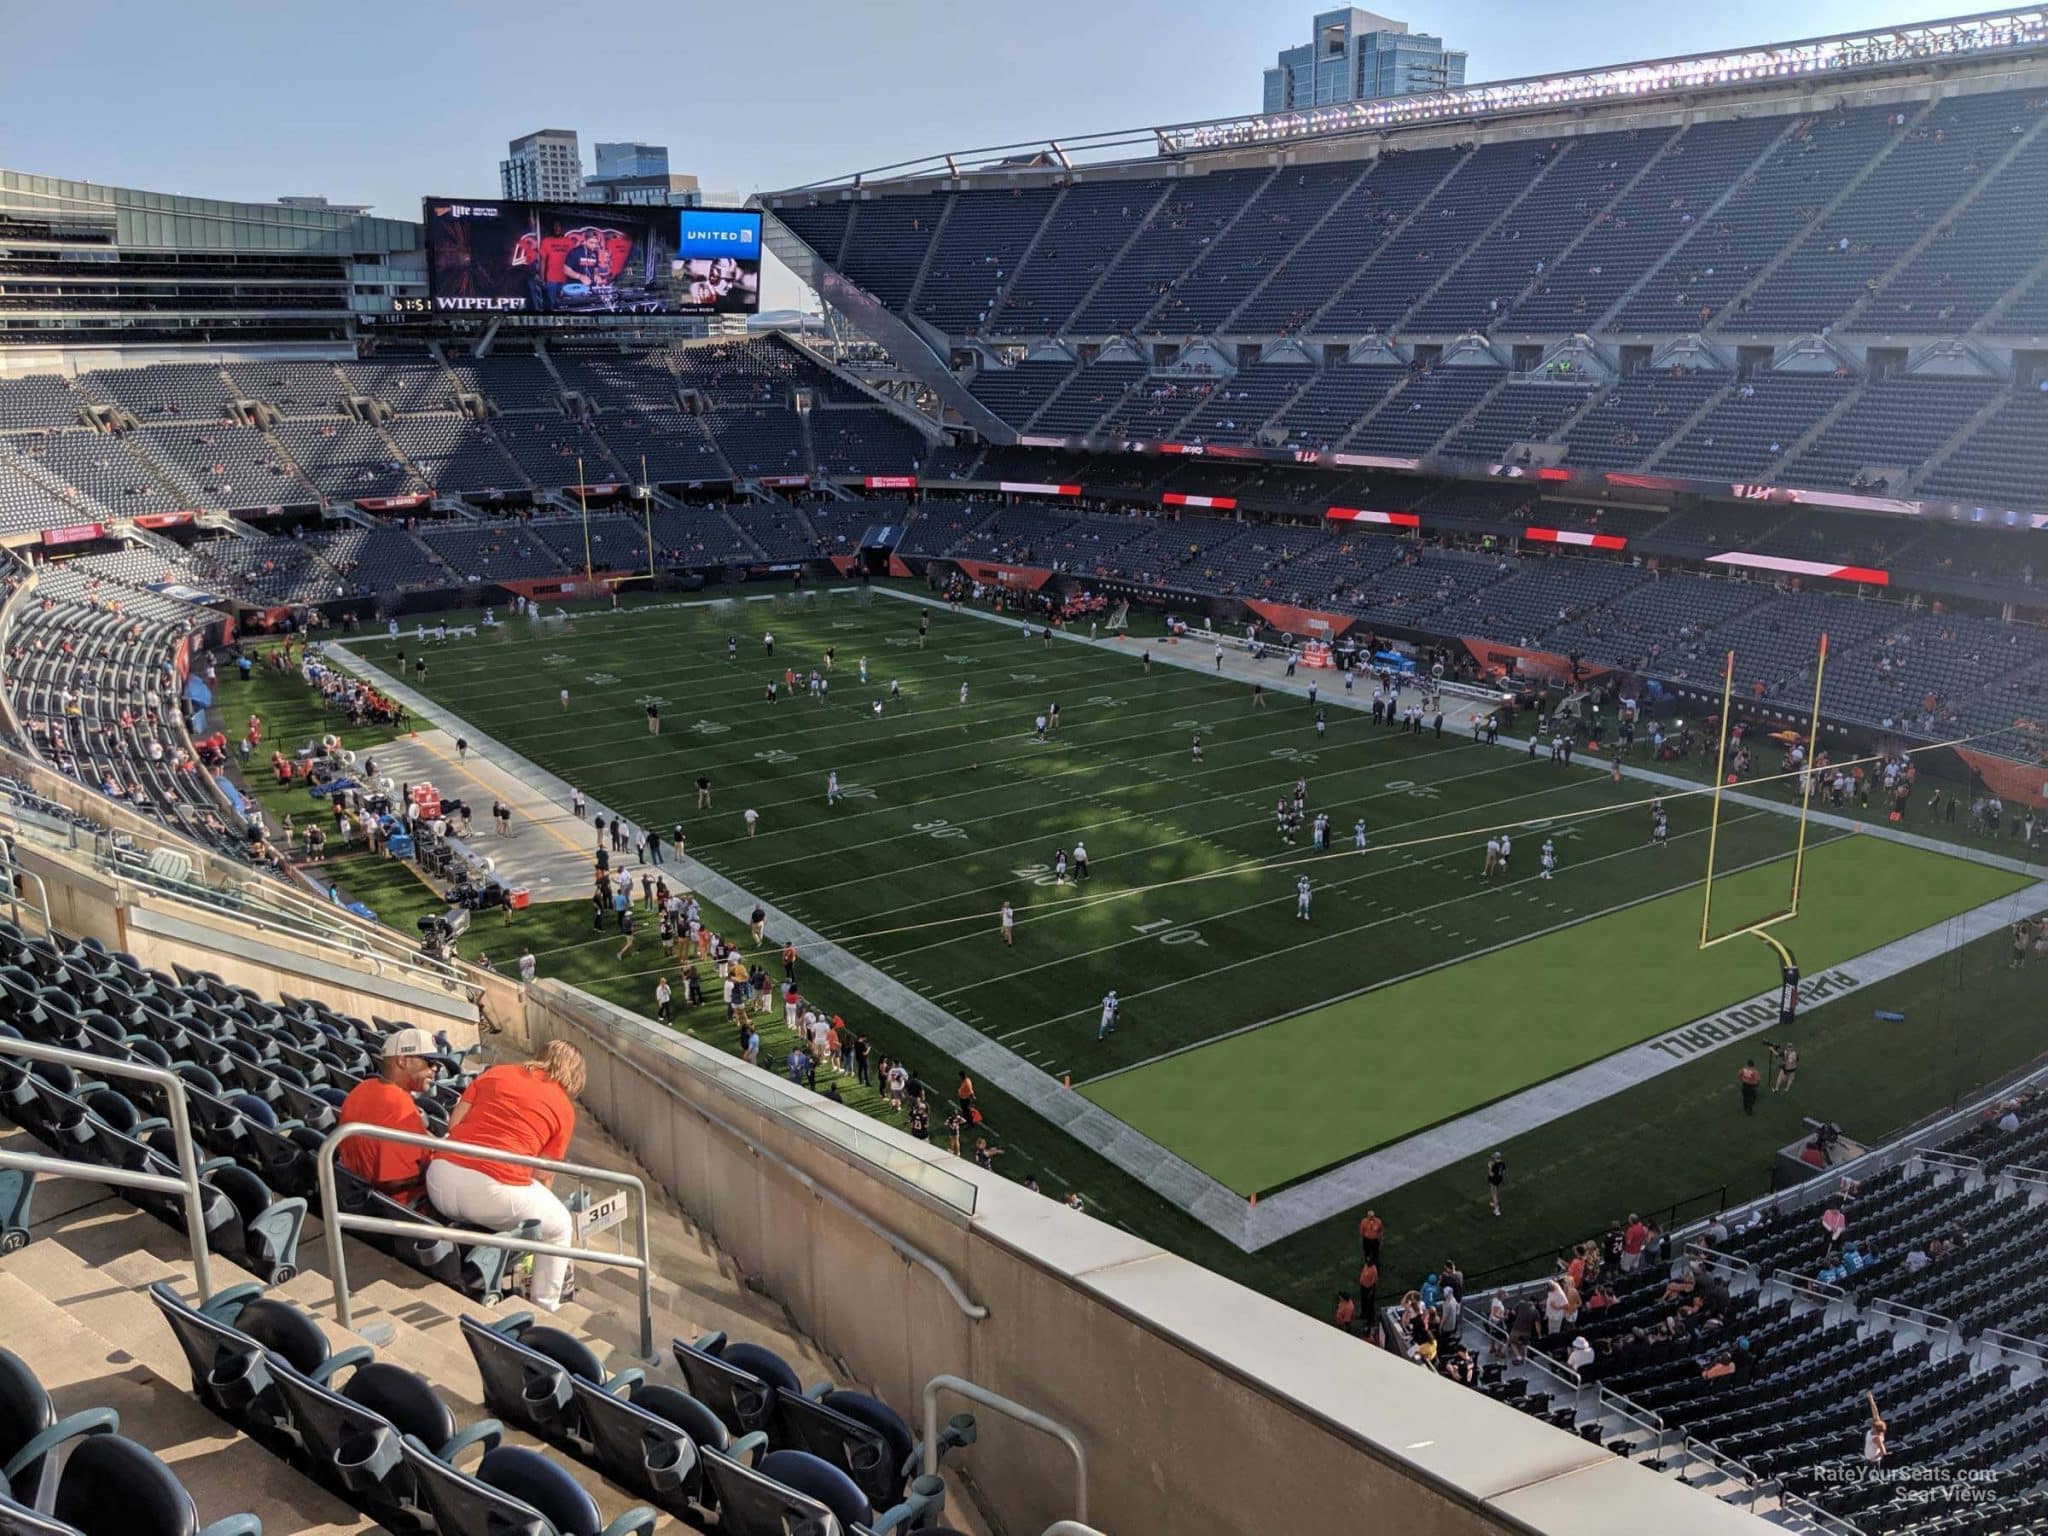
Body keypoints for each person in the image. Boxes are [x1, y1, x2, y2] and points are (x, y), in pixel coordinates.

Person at [425, 1042, 584, 1311]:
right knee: (559, 1226)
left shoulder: (496, 1072)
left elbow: (454, 1125)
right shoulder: (563, 1108)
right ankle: (546, 1306)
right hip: (489, 1193)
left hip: (439, 1179)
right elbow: (543, 1173)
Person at [337, 1027, 438, 1205]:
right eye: (429, 1062)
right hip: (403, 1209)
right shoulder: (399, 1108)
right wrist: (433, 1167)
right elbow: (394, 1181)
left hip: (354, 1195)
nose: (435, 1068)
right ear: (403, 1060)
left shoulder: (363, 1088)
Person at [1487, 1151, 1506, 1216]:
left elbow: (1491, 1174)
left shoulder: (1494, 1165)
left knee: (1494, 1194)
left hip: (1493, 1181)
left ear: (1495, 1157)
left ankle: (1496, 1209)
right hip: (1499, 1179)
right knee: (1496, 1192)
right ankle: (1495, 1203)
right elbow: (1503, 1172)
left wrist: (1489, 1167)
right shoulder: (1502, 1163)